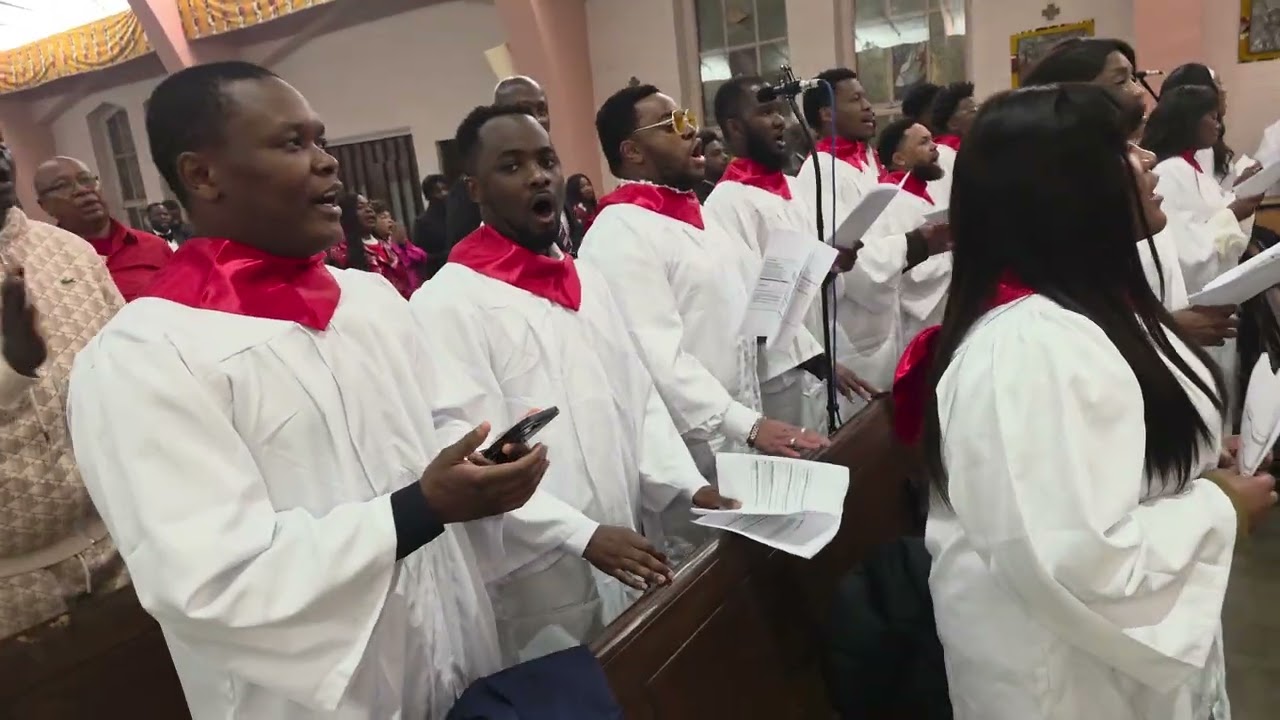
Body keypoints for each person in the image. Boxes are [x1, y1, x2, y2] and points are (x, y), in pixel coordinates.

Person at [67, 61, 550, 719]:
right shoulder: (144, 357)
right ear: (202, 174)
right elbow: (208, 579)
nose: (328, 163)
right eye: (292, 144)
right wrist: (416, 510)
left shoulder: (368, 300)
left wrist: (480, 472)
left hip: (451, 651)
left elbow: (433, 428)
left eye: (320, 140)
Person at [903, 82, 1276, 720]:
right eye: (1123, 148)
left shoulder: (1083, 311)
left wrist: (1186, 464)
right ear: (1065, 187)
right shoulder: (1025, 347)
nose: (1148, 160)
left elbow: (1103, 466)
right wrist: (1215, 507)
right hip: (1066, 681)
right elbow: (1067, 555)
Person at [411, 103, 735, 665]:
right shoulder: (448, 302)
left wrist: (689, 485)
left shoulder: (586, 279)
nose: (539, 176)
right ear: (475, 188)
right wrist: (580, 533)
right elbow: (474, 456)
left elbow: (640, 404)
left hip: (621, 542)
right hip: (536, 576)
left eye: (547, 160)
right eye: (512, 166)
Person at [581, 83, 828, 478]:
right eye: (670, 124)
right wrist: (743, 424)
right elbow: (657, 359)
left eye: (688, 119)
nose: (689, 130)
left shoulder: (701, 217)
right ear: (632, 152)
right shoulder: (619, 232)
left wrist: (818, 359)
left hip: (741, 426)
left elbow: (760, 302)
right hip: (688, 451)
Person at [1021, 38, 1237, 348]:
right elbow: (1066, 320)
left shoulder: (1137, 180)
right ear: (1069, 95)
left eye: (1134, 77)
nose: (1139, 91)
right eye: (1122, 80)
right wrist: (1159, 330)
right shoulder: (1063, 198)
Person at [0, 132, 128, 642]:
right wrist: (13, 368)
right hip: (13, 587)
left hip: (119, 544)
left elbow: (125, 364)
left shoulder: (70, 251)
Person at [704, 75, 874, 432]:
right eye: (766, 112)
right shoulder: (726, 202)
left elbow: (800, 275)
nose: (780, 120)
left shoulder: (793, 189)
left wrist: (830, 264)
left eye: (780, 110)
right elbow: (751, 298)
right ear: (734, 127)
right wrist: (816, 362)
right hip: (778, 374)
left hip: (814, 354)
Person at [794, 69, 951, 389]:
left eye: (866, 97)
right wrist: (914, 245)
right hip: (854, 330)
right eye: (855, 99)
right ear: (826, 114)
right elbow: (842, 257)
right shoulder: (820, 171)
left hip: (886, 321)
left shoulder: (866, 164)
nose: (868, 106)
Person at [444, 76, 582, 253]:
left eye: (542, 110)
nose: (536, 119)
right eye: (522, 110)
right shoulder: (470, 192)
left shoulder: (550, 174)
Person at [33, 156, 173, 301]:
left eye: (86, 179)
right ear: (45, 205)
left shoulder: (154, 247)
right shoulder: (41, 265)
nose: (82, 190)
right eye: (63, 185)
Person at [875, 118, 951, 339]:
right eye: (924, 142)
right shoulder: (890, 201)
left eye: (933, 140)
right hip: (918, 323)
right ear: (899, 158)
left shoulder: (927, 193)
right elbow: (903, 271)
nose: (935, 146)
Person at [923, 80, 976, 203]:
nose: (979, 113)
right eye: (972, 110)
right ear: (953, 123)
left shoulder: (970, 149)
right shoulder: (942, 155)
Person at [412, 173, 451, 278]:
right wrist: (447, 256)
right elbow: (420, 256)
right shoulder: (422, 222)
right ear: (429, 196)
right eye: (438, 191)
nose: (444, 194)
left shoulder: (456, 216)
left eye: (445, 189)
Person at [694, 128, 728, 203]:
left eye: (724, 152)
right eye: (716, 153)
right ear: (701, 158)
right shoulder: (699, 198)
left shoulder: (727, 187)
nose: (725, 157)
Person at [564, 172, 598, 244]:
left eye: (588, 184)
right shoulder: (576, 212)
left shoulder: (596, 206)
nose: (587, 188)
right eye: (582, 187)